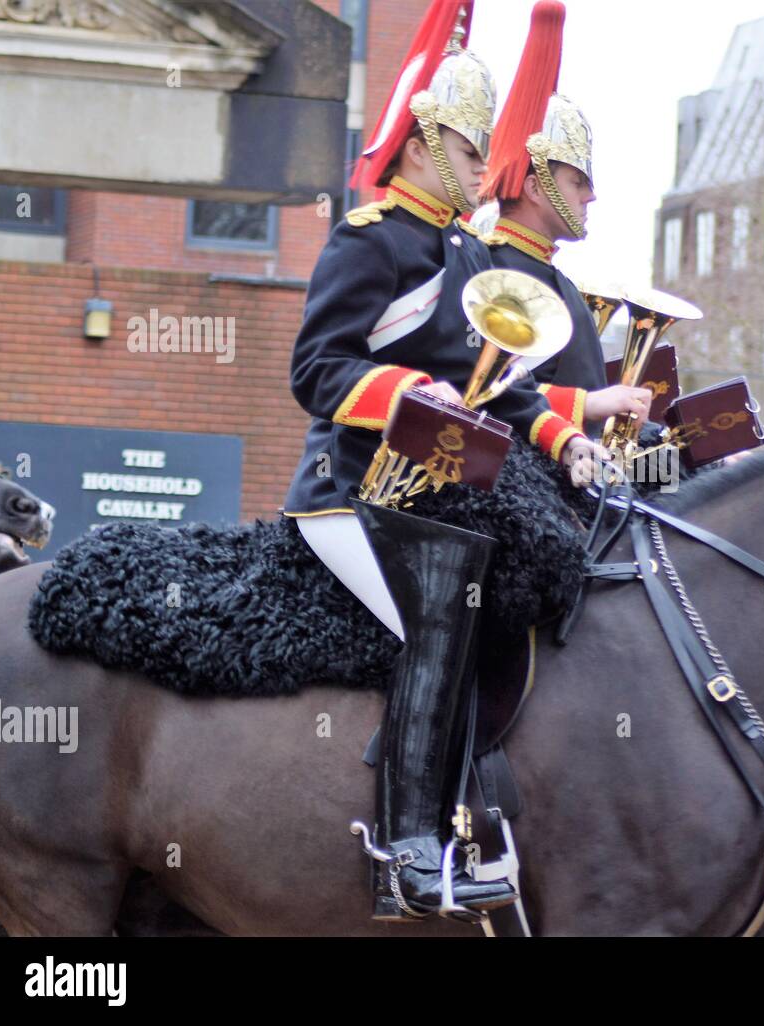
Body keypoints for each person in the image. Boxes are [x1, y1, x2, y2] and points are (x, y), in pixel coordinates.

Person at [281, 0, 596, 920]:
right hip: (350, 492)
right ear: (421, 145)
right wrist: (411, 395)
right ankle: (407, 851)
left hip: (436, 492)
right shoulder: (370, 237)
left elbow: (503, 385)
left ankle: (481, 812)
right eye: (467, 147)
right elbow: (317, 370)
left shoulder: (463, 256)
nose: (482, 162)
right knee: (447, 599)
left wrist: (567, 438)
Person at [478, 0, 651, 442]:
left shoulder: (559, 282)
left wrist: (688, 448)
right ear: (535, 188)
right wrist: (587, 405)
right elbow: (481, 395)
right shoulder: (491, 270)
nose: (590, 195)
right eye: (577, 182)